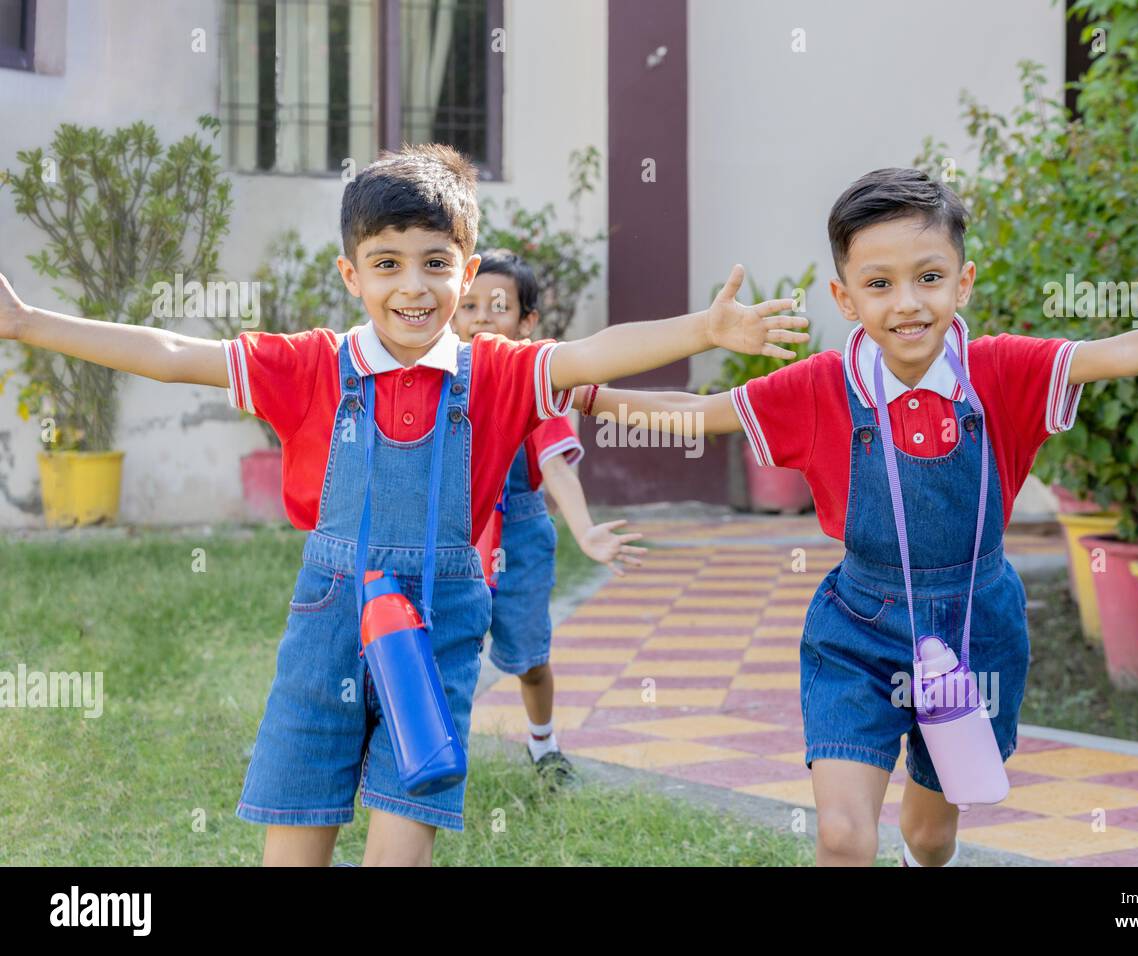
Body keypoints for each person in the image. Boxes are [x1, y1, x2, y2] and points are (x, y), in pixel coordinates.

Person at [0, 142, 809, 866]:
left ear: (467, 270)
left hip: (439, 626)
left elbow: (596, 353)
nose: (412, 287)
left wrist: (704, 329)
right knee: (293, 841)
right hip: (329, 622)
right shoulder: (313, 366)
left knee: (401, 846)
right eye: (386, 264)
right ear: (352, 275)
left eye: (434, 262)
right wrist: (29, 322)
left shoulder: (495, 373)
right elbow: (174, 354)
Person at [569, 167, 1138, 867]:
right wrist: (587, 394)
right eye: (879, 284)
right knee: (844, 838)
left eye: (928, 277)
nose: (907, 303)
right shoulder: (822, 387)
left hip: (975, 625)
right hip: (857, 626)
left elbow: (1126, 350)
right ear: (845, 297)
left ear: (963, 280)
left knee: (928, 836)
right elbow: (700, 415)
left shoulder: (1003, 372)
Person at [453, 249, 646, 784]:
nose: (482, 317)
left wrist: (584, 530)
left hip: (518, 532)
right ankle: (439, 754)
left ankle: (544, 744)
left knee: (528, 656)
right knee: (443, 649)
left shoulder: (533, 383)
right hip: (453, 535)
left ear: (527, 321)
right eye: (468, 306)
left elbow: (555, 466)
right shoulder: (439, 377)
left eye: (498, 305)